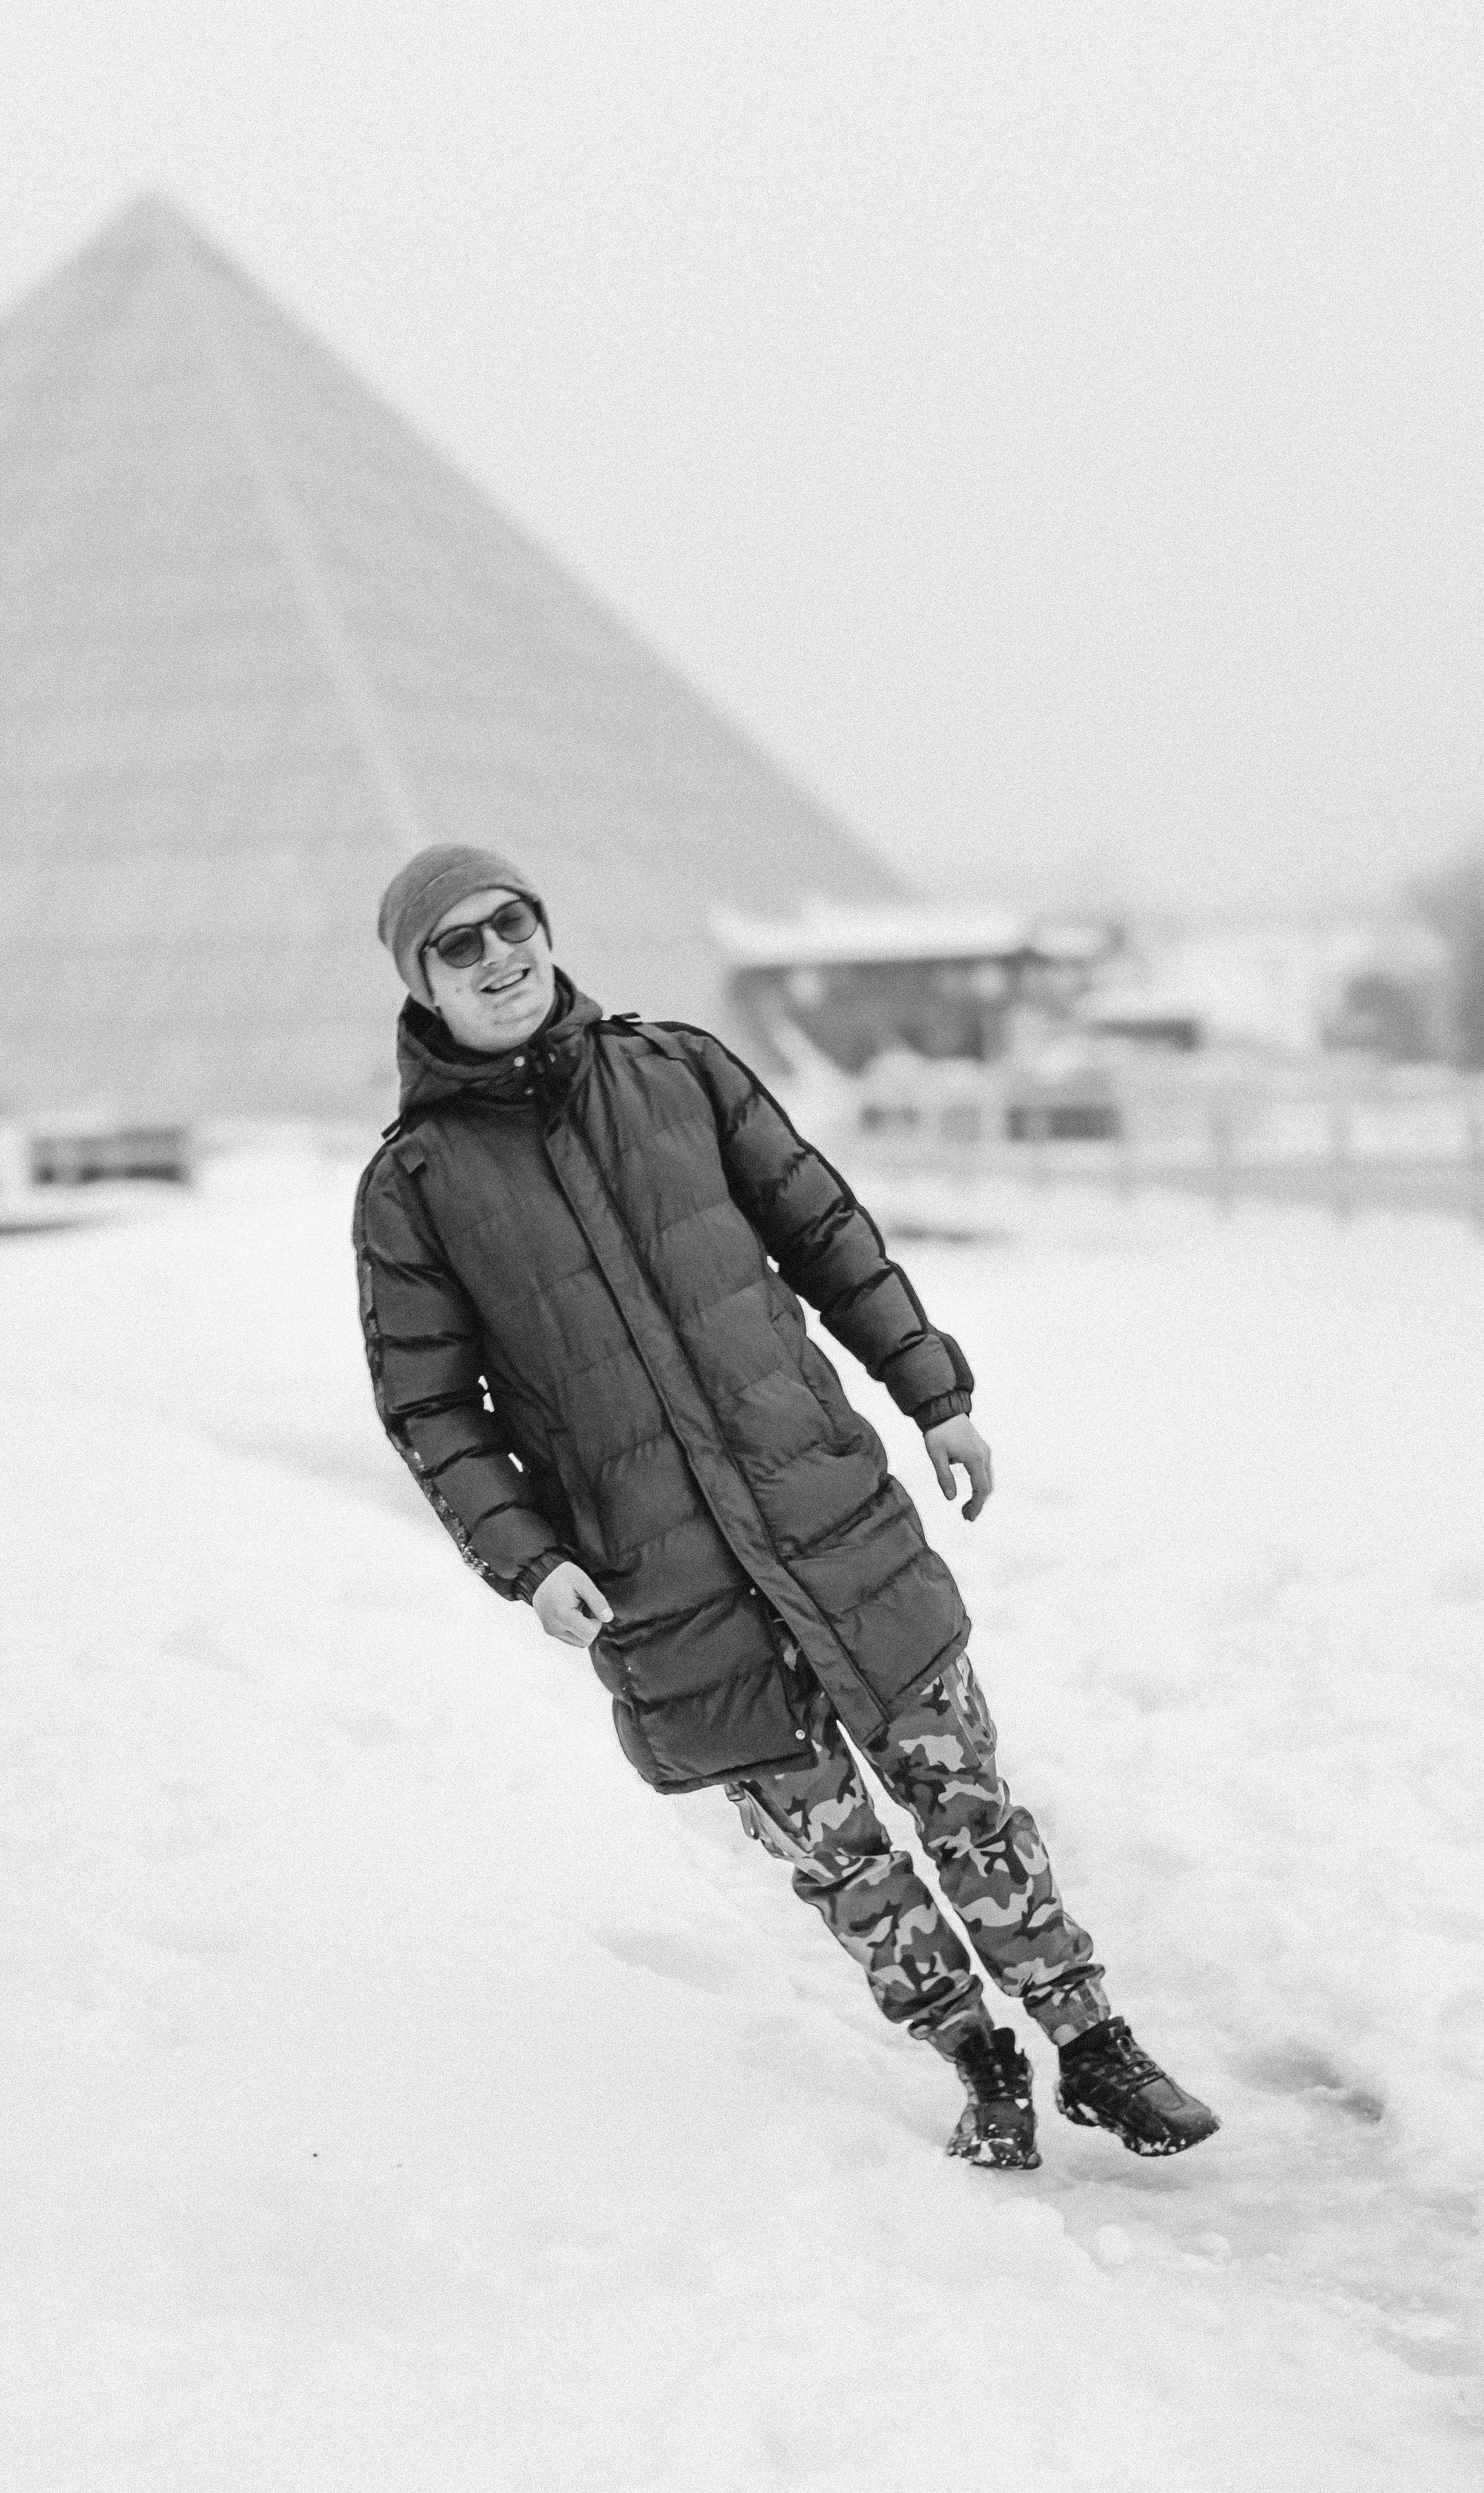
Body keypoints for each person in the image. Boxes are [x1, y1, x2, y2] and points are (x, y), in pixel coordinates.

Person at [353, 843, 1219, 2169]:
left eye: (510, 923)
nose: (497, 958)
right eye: (457, 947)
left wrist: (936, 1394)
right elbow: (433, 1411)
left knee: (962, 1795)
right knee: (844, 1859)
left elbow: (825, 1232)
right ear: (421, 983)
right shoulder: (413, 1189)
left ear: (544, 924)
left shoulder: (681, 1073)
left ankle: (1093, 2043)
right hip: (662, 1577)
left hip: (824, 1509)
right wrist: (527, 1564)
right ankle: (978, 2060)